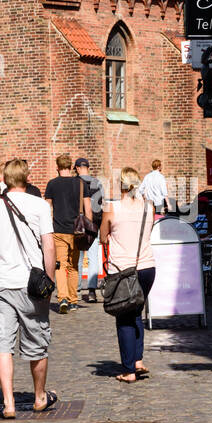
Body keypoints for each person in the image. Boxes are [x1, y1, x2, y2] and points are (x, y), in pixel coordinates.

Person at [0, 157, 57, 418]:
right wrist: (50, 277)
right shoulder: (39, 206)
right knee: (37, 342)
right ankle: (39, 396)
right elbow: (49, 245)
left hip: (2, 284)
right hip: (32, 284)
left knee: (2, 344)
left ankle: (9, 403)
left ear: (4, 179)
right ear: (27, 177)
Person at [98, 167, 155, 382]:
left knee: (124, 318)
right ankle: (138, 361)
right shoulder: (148, 208)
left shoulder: (112, 208)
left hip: (123, 271)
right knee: (136, 310)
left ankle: (129, 370)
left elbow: (103, 237)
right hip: (147, 267)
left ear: (120, 185)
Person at [44, 152, 93, 314]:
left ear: (57, 167)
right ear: (71, 167)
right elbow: (88, 210)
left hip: (58, 230)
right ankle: (73, 300)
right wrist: (88, 228)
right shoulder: (80, 184)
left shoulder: (52, 184)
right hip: (77, 231)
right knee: (73, 266)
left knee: (60, 265)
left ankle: (62, 298)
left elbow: (46, 208)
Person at [74, 158, 104, 304]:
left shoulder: (74, 182)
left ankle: (77, 289)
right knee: (93, 258)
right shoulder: (97, 183)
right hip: (93, 225)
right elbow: (100, 206)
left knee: (78, 257)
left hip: (77, 225)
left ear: (78, 168)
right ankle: (92, 291)